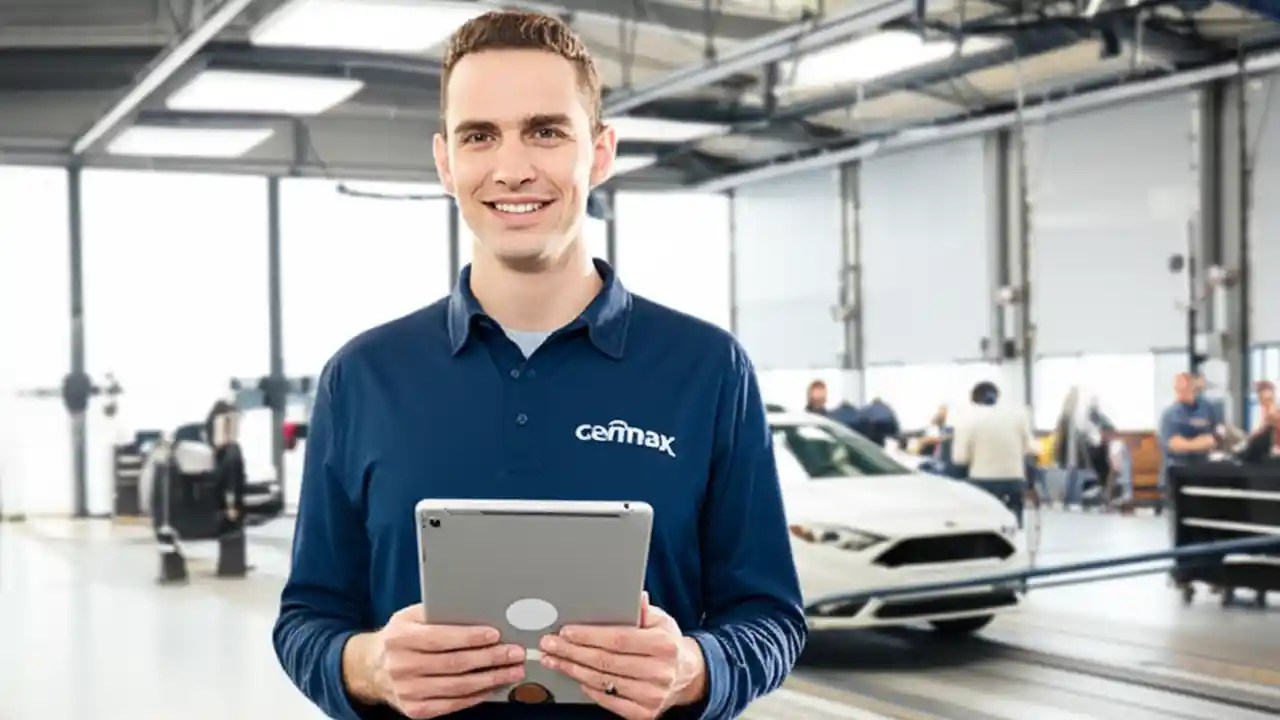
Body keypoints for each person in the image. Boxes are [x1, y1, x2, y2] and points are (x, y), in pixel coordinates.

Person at [271, 11, 805, 720]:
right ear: (444, 161)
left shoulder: (708, 370)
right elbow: (308, 616)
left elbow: (770, 616)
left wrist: (695, 668)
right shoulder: (362, 377)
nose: (512, 167)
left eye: (546, 131)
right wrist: (368, 666)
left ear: (601, 151)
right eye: (479, 135)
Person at [950, 382, 1036, 527]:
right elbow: (1031, 448)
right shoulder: (1019, 415)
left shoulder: (966, 418)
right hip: (1014, 479)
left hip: (982, 480)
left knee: (982, 521)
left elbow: (960, 458)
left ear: (973, 399)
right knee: (1014, 520)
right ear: (998, 396)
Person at [1157, 372, 1223, 498]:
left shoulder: (1206, 408)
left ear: (1193, 387)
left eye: (1185, 388)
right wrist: (1199, 443)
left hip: (1201, 472)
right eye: (1178, 388)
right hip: (1176, 472)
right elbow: (1174, 444)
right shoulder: (1170, 414)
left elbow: (1212, 440)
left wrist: (1189, 443)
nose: (1181, 391)